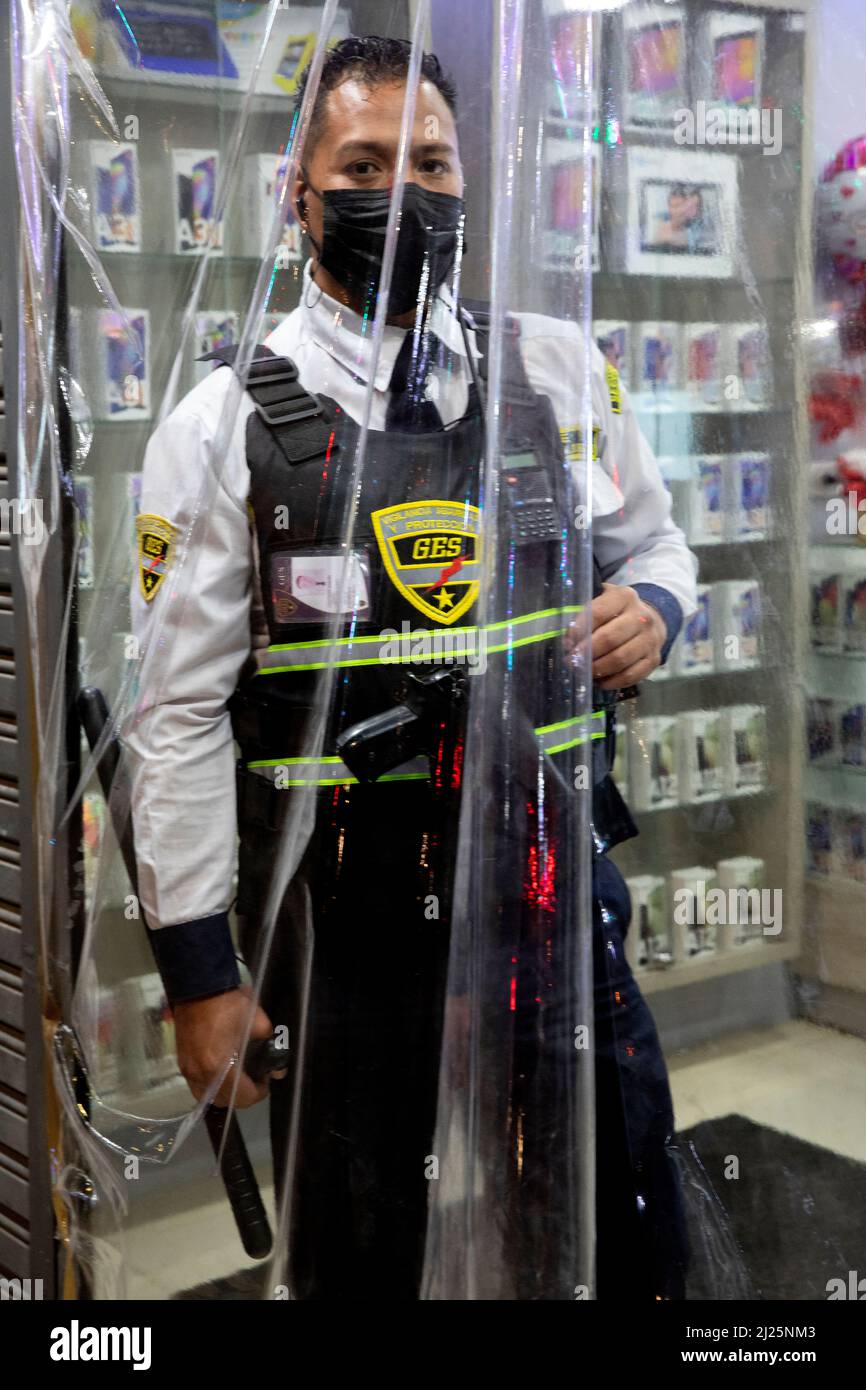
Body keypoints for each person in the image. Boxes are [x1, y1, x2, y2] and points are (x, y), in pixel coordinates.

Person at [127, 35, 698, 1300]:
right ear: (299, 190)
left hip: (548, 898)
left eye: (430, 160)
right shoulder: (219, 429)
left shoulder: (553, 369)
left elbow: (658, 542)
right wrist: (199, 982)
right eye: (365, 162)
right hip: (343, 935)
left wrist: (653, 605)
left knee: (616, 1216)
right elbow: (169, 723)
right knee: (360, 1245)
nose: (404, 190)